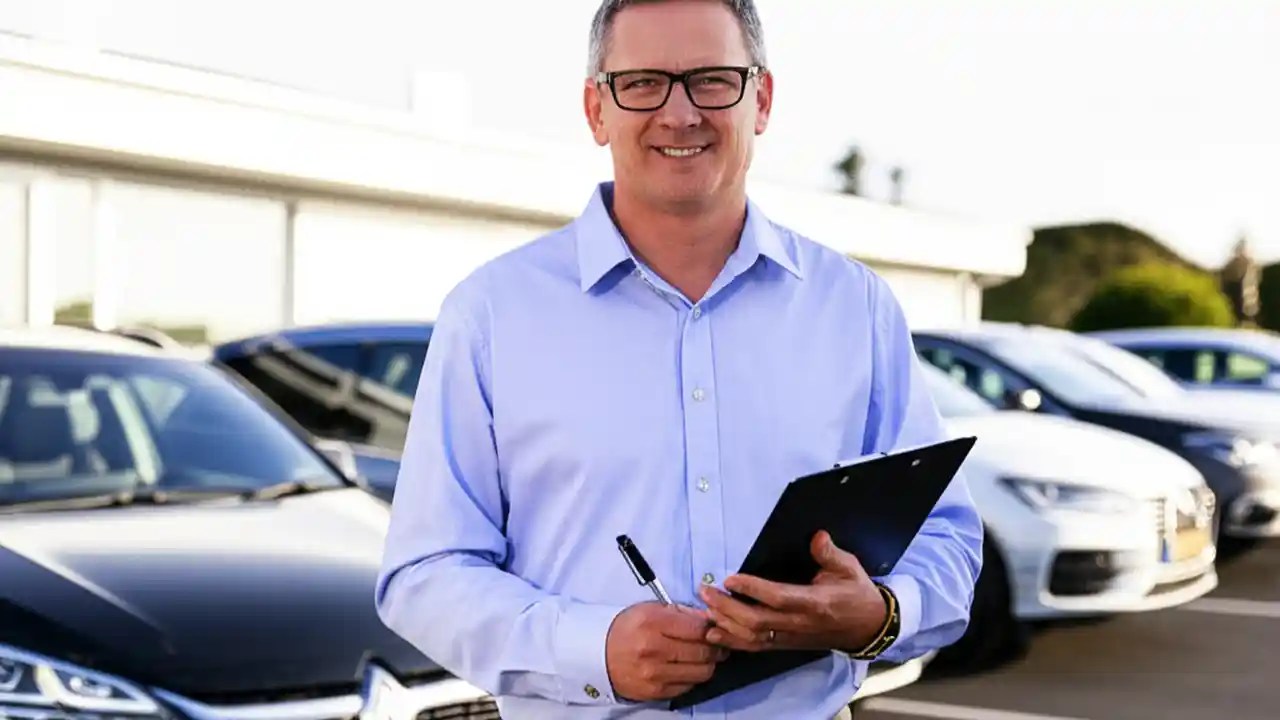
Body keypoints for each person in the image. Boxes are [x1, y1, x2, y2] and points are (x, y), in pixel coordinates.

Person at [375, 1, 983, 717]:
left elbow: (946, 538)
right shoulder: (491, 315)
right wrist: (592, 647)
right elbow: (424, 574)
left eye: (711, 80)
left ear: (761, 99)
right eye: (641, 84)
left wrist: (879, 613)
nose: (679, 112)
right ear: (596, 109)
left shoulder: (854, 307)